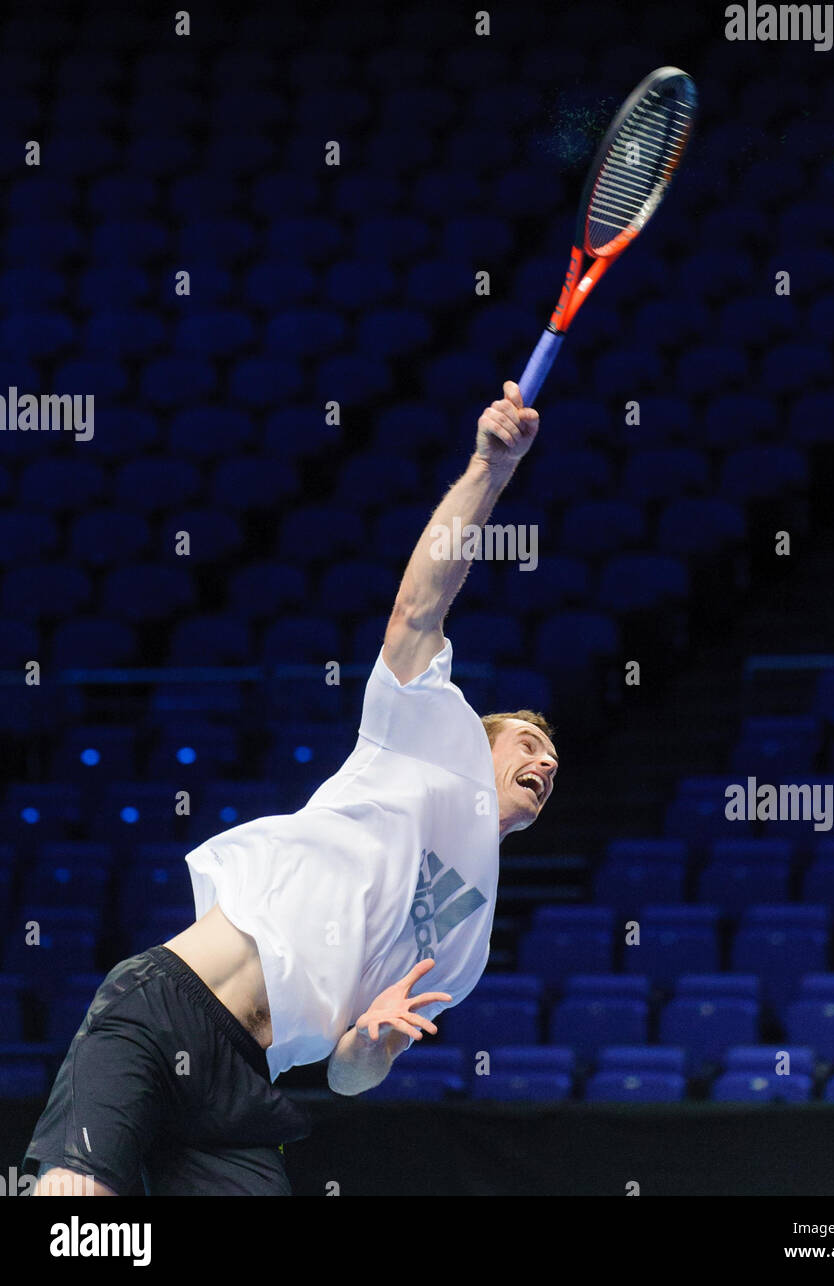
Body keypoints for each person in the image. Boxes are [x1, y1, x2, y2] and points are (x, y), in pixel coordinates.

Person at [26, 380, 559, 1196]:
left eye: (553, 763)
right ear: (478, 744)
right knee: (77, 1211)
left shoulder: (466, 938)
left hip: (244, 1087)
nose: (547, 763)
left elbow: (346, 1075)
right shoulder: (423, 745)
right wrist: (490, 469)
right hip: (168, 1004)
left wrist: (371, 1048)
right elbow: (419, 608)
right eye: (528, 743)